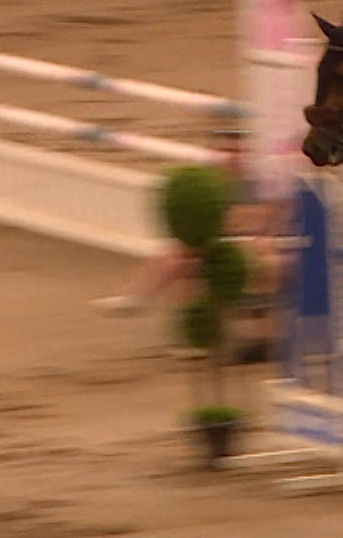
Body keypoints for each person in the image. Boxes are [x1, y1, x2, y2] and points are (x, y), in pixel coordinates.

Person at [94, 126, 287, 362]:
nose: (231, 157)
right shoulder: (208, 184)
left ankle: (140, 299)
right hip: (222, 251)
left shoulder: (257, 186)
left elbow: (260, 222)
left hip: (254, 252)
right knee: (181, 256)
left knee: (185, 256)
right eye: (226, 151)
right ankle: (145, 303)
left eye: (236, 151)